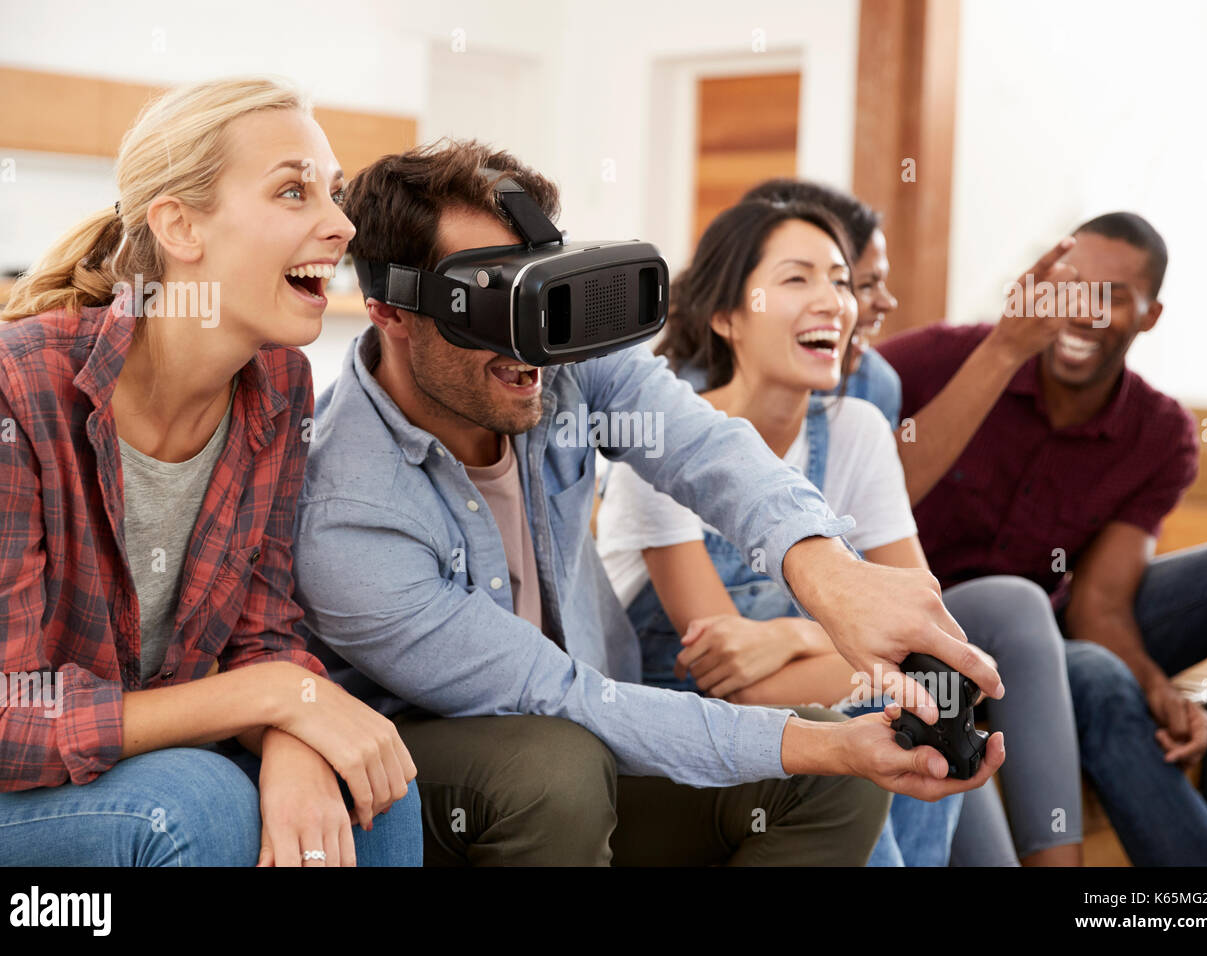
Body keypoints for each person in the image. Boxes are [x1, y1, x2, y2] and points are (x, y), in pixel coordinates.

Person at [292, 138, 1004, 866]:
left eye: (535, 284)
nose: (533, 346)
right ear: (391, 313)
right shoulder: (345, 509)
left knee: (836, 785)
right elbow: (555, 697)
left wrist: (830, 576)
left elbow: (702, 446)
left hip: (591, 744)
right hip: (439, 785)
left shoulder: (548, 357)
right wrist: (820, 742)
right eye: (490, 299)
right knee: (554, 767)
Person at [0, 77, 420, 867]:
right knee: (196, 805)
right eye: (292, 191)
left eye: (334, 193)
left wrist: (295, 731)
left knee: (374, 797)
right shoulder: (7, 381)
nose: (341, 224)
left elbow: (264, 634)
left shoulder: (280, 382)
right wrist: (273, 698)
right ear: (179, 225)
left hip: (136, 755)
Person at [596, 197, 1082, 866]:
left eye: (841, 281)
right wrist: (889, 665)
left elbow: (925, 625)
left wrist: (794, 635)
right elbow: (728, 677)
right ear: (726, 316)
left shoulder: (857, 430)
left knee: (918, 711)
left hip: (827, 696)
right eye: (797, 279)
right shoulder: (658, 453)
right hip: (690, 732)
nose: (834, 301)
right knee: (897, 706)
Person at [877, 211, 1207, 865]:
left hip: (1042, 636)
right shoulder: (940, 360)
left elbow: (1099, 604)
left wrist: (1161, 689)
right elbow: (839, 459)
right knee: (1098, 676)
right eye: (1069, 287)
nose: (1082, 312)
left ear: (1150, 315)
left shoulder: (1159, 434)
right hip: (918, 635)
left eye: (1110, 296)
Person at [741, 179, 902, 428]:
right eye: (866, 284)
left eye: (840, 281)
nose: (888, 303)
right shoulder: (685, 400)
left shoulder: (874, 386)